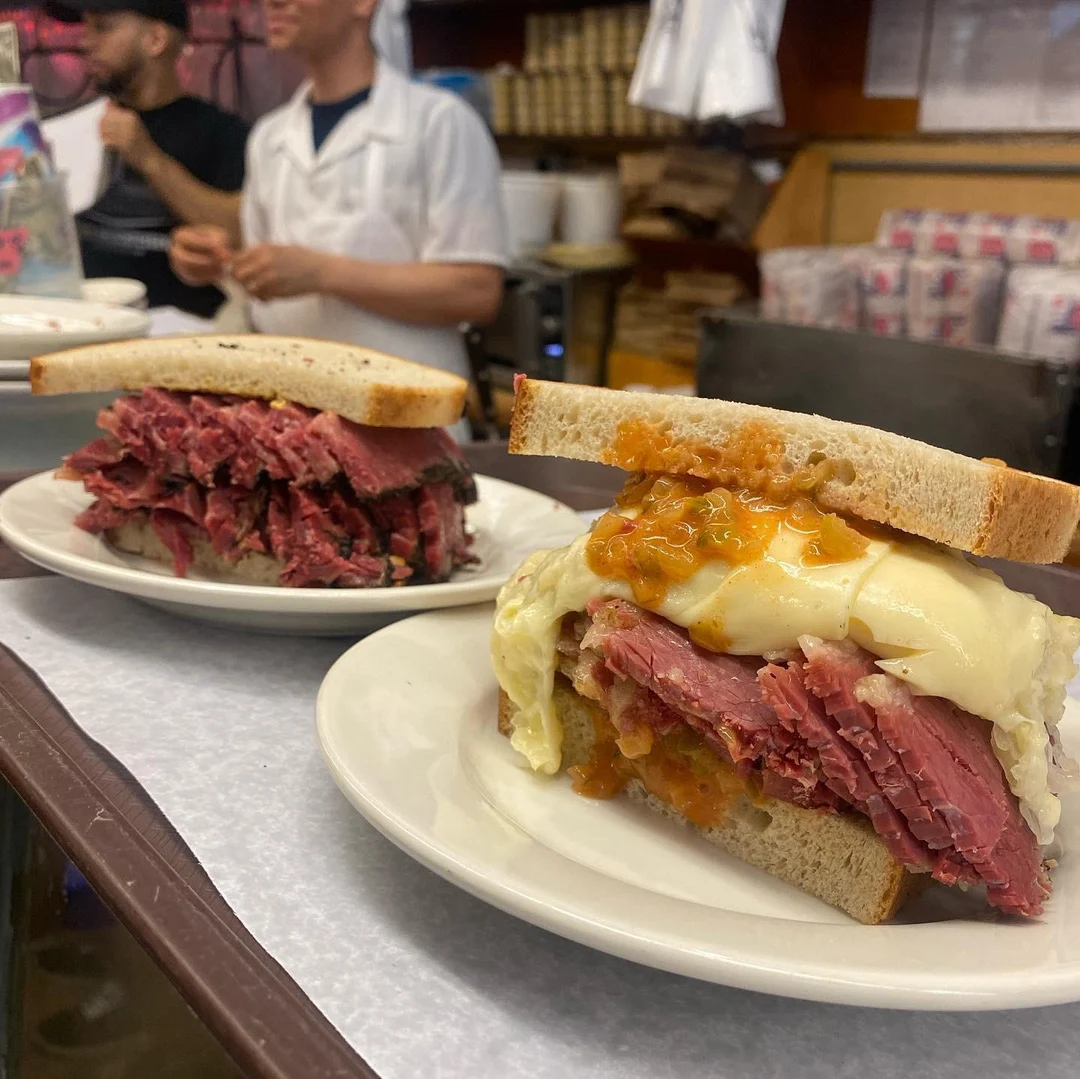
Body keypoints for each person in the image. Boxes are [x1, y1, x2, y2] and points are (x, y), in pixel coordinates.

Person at [169, 0, 508, 395]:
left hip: (404, 407)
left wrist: (323, 274)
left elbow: (476, 291)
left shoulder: (440, 123)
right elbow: (265, 285)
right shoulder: (270, 136)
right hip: (288, 402)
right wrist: (218, 263)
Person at [45, 0, 250, 317]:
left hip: (182, 331)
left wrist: (148, 158)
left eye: (103, 27)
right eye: (85, 28)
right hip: (79, 321)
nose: (85, 42)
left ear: (155, 39)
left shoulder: (222, 132)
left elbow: (238, 232)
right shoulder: (77, 127)